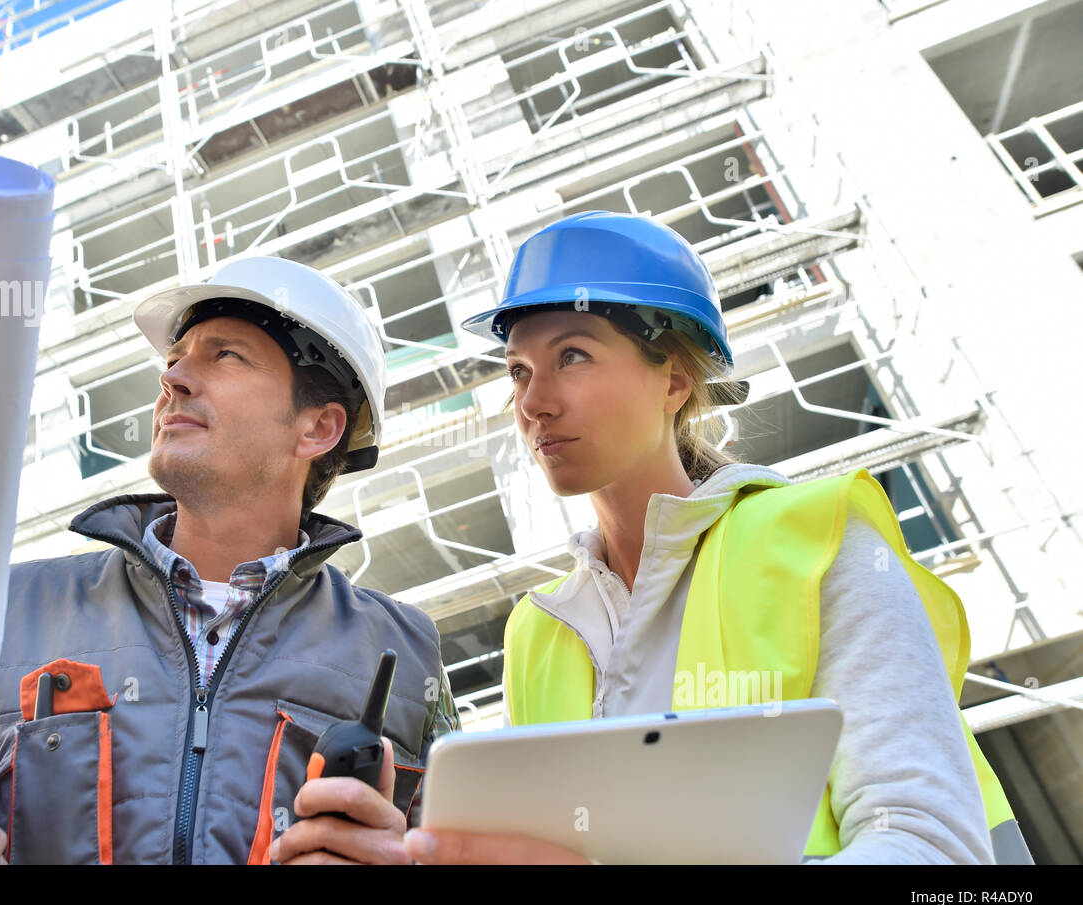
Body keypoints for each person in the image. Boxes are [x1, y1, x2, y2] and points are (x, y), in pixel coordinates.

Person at [397, 210, 1033, 865]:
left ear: (674, 379)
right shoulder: (538, 637)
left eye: (572, 355)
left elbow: (935, 848)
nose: (533, 403)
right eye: (520, 371)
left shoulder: (817, 540)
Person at [0, 255, 460, 865]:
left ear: (318, 429)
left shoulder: (407, 654)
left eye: (226, 356)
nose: (173, 379)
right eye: (176, 361)